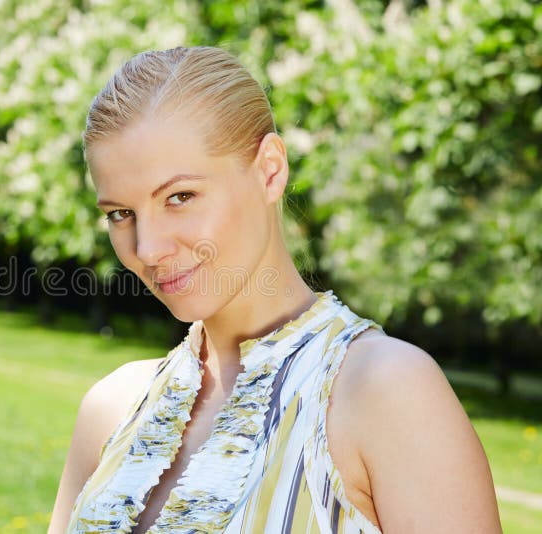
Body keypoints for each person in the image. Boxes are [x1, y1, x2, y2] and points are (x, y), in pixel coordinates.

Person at [48, 46, 502, 533]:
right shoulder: (110, 408)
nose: (148, 247)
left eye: (180, 197)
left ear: (270, 170)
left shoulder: (384, 392)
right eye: (121, 213)